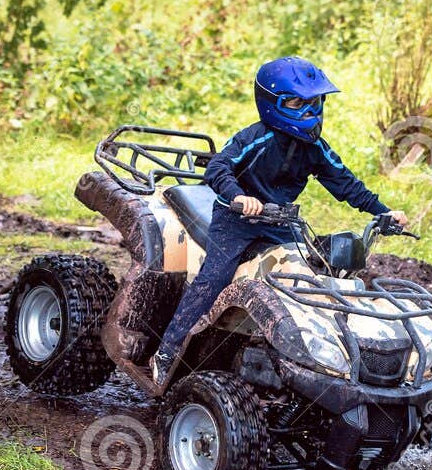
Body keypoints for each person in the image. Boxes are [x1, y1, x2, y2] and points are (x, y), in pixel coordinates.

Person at [151, 56, 408, 384]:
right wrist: (239, 197)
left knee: (312, 276)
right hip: (235, 219)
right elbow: (217, 168)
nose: (309, 111)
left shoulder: (315, 148)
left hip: (280, 222)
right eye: (297, 102)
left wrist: (381, 211)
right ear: (272, 103)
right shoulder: (256, 137)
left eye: (315, 102)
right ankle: (168, 349)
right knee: (214, 277)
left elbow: (346, 184)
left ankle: (326, 358)